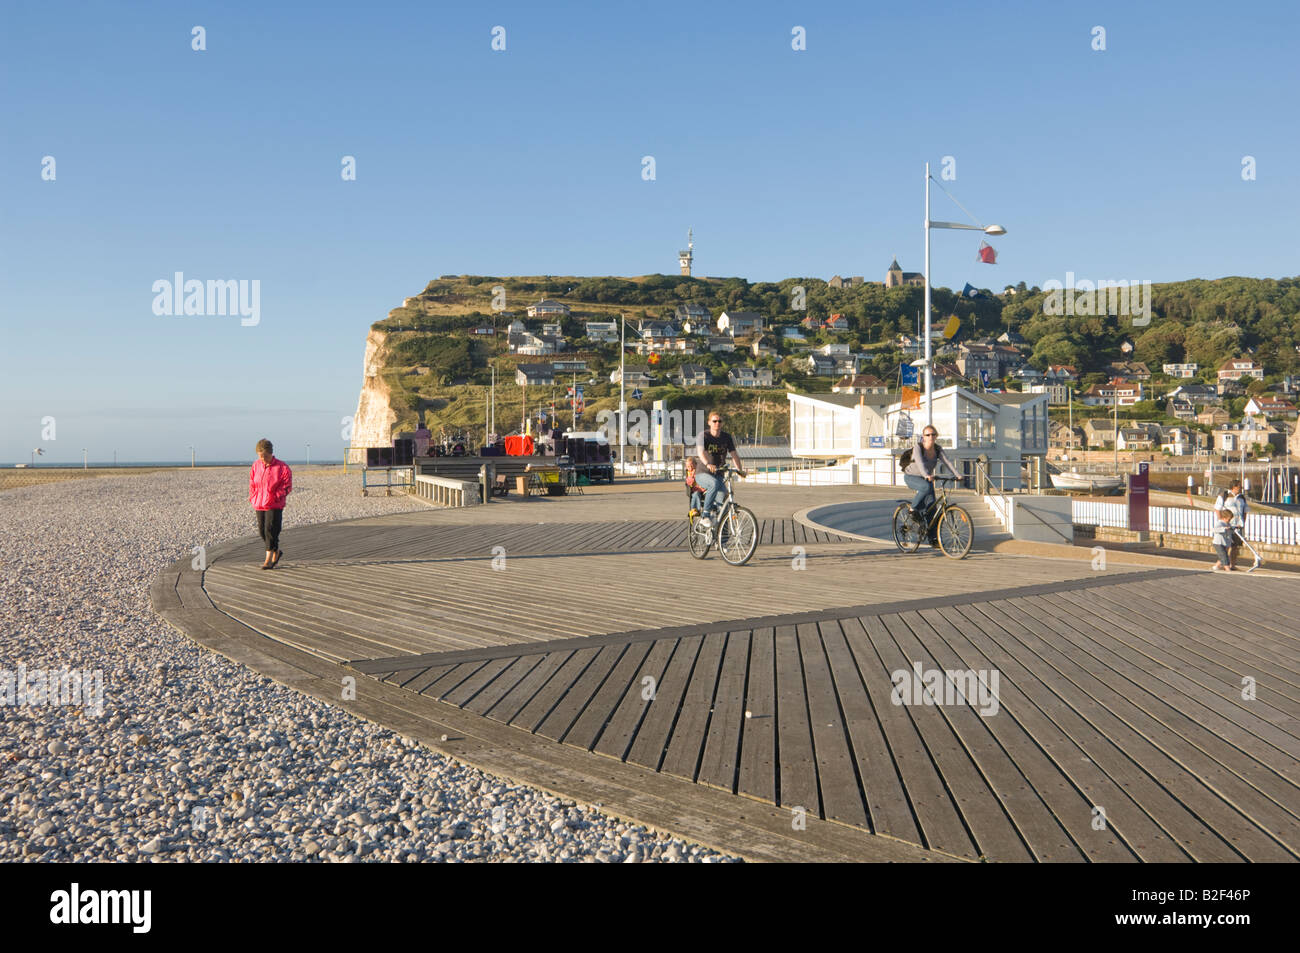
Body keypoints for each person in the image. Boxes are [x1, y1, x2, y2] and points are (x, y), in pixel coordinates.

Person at [902, 425, 958, 546]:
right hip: (911, 477)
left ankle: (933, 539)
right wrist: (927, 475)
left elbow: (947, 462)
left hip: (926, 478)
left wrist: (958, 475)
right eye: (928, 435)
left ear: (936, 436)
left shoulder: (937, 449)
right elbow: (921, 464)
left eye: (933, 434)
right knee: (926, 487)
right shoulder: (918, 447)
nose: (931, 437)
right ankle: (912, 510)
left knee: (932, 507)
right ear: (923, 437)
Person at [694, 411, 747, 529]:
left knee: (723, 500)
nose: (717, 423)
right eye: (714, 421)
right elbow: (700, 452)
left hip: (718, 473)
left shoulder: (726, 437)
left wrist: (740, 470)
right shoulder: (703, 436)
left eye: (719, 421)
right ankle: (705, 515)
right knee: (714, 484)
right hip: (703, 472)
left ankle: (721, 539)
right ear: (709, 423)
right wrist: (708, 464)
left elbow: (734, 454)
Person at [248, 438, 292, 569]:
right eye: (260, 457)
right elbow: (252, 482)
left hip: (274, 504)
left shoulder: (282, 467)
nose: (262, 459)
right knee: (262, 531)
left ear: (270, 453)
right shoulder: (256, 465)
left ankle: (267, 560)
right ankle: (276, 552)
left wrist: (275, 497)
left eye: (265, 456)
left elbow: (287, 486)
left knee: (270, 530)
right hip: (259, 503)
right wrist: (252, 496)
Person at [1213, 480, 1248, 570]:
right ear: (1234, 487)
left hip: (1238, 525)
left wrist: (1243, 521)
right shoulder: (1224, 496)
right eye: (1239, 487)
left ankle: (1232, 564)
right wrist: (1222, 521)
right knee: (1226, 545)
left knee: (1235, 546)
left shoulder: (1242, 497)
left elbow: (1245, 511)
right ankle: (1220, 564)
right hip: (1227, 525)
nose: (1241, 488)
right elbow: (1217, 509)